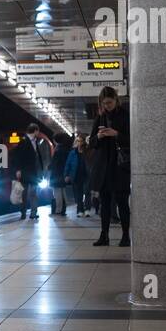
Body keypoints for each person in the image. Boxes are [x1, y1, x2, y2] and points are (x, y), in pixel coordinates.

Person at [87, 86, 131, 246]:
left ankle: (126, 236)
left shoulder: (125, 115)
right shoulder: (100, 118)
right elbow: (91, 143)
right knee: (104, 203)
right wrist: (98, 136)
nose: (107, 106)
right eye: (104, 103)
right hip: (103, 167)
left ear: (116, 100)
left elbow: (133, 139)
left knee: (122, 202)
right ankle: (104, 235)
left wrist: (116, 134)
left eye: (110, 102)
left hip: (119, 166)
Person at [13, 123, 45, 220]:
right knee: (24, 193)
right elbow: (18, 156)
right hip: (25, 172)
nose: (38, 133)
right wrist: (18, 169)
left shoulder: (36, 141)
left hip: (34, 173)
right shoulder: (23, 141)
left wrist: (41, 171)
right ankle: (23, 213)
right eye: (38, 131)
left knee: (34, 192)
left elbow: (38, 158)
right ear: (35, 130)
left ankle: (33, 213)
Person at [65, 135, 90, 218]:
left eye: (81, 141)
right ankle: (80, 210)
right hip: (75, 175)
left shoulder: (87, 151)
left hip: (86, 175)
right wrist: (66, 175)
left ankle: (87, 209)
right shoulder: (72, 152)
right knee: (78, 194)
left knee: (87, 192)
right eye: (77, 141)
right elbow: (68, 164)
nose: (79, 143)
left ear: (84, 142)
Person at [49, 132, 72, 216]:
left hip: (57, 174)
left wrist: (49, 167)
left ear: (56, 140)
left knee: (57, 192)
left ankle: (58, 210)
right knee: (62, 191)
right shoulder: (65, 149)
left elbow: (54, 163)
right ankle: (63, 209)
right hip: (62, 173)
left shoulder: (58, 150)